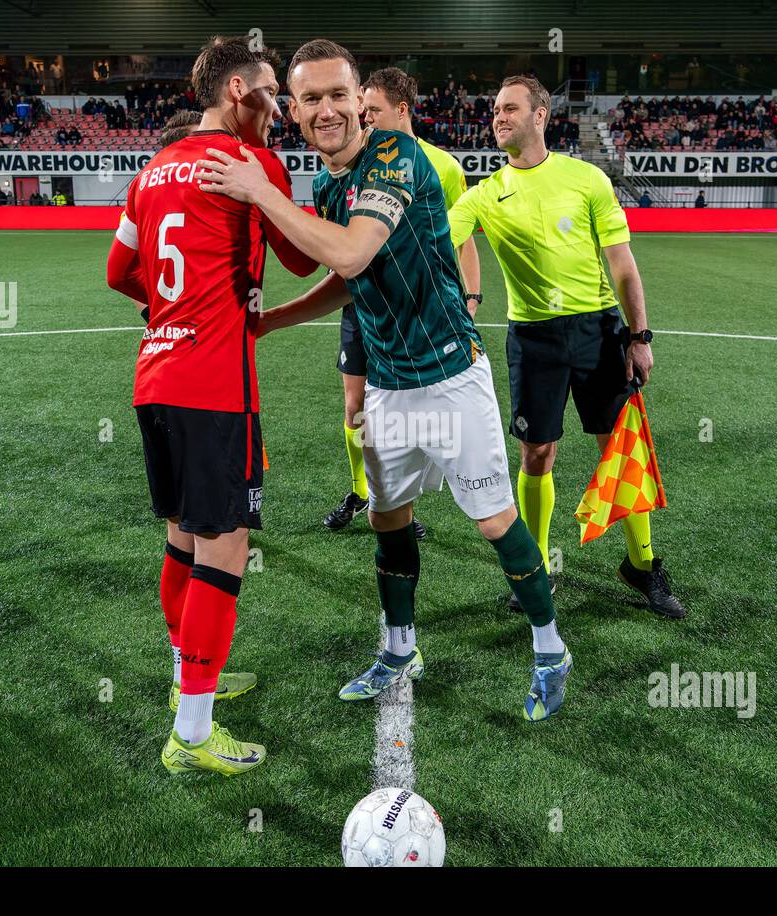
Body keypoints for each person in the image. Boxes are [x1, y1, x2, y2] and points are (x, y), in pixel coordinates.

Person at [200, 39, 572, 721]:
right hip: (390, 387)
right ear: (295, 109)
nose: (327, 110)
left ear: (359, 104)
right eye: (310, 99)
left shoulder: (396, 157)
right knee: (386, 516)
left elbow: (351, 248)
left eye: (339, 95)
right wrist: (271, 322)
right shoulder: (327, 186)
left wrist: (258, 192)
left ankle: (550, 649)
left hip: (450, 376)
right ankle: (399, 649)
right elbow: (349, 276)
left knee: (494, 520)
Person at [105, 37, 317, 775]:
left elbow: (118, 270)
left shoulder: (152, 169)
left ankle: (185, 680)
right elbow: (302, 257)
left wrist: (168, 308)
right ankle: (192, 734)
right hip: (213, 384)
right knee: (225, 547)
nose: (280, 112)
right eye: (270, 94)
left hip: (156, 375)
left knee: (183, 540)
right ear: (236, 91)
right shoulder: (248, 163)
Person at [447, 74, 686, 619]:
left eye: (510, 109)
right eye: (494, 111)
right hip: (533, 339)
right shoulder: (482, 195)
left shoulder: (586, 179)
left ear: (540, 114)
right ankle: (534, 570)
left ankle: (643, 565)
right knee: (538, 453)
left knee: (620, 447)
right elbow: (437, 233)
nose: (498, 118)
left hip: (597, 332)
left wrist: (639, 335)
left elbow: (622, 265)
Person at [320, 66, 481, 539]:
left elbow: (463, 238)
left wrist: (470, 297)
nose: (364, 119)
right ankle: (366, 492)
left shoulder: (440, 164)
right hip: (362, 300)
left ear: (403, 110)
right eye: (362, 110)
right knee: (355, 407)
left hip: (419, 306)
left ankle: (407, 499)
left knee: (424, 408)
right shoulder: (355, 161)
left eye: (373, 111)